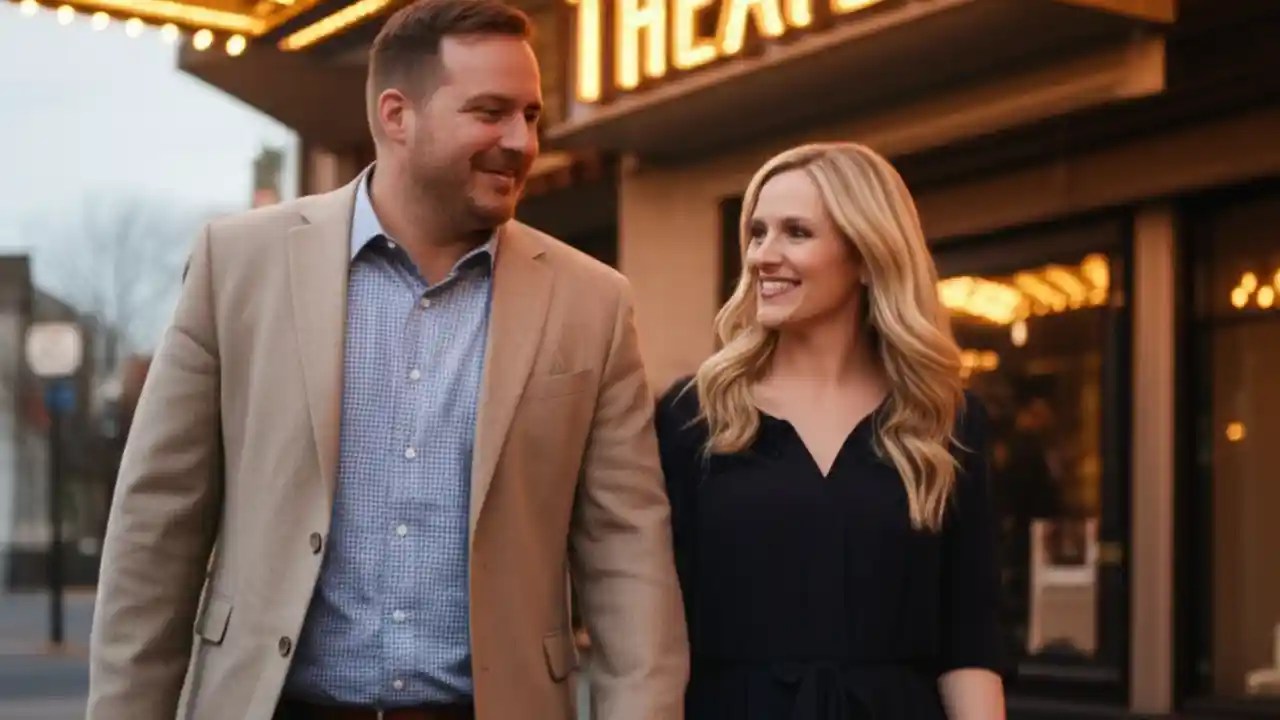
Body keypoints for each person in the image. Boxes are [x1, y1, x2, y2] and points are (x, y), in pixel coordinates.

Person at [86, 1, 688, 718]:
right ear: (396, 115)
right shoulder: (238, 265)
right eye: (490, 112)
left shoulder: (593, 302)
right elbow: (157, 529)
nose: (521, 141)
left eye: (530, 115)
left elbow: (629, 556)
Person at [656, 142, 1006, 719]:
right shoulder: (695, 416)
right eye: (757, 232)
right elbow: (652, 621)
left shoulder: (943, 421)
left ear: (867, 257)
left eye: (796, 232)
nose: (763, 256)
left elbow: (970, 636)